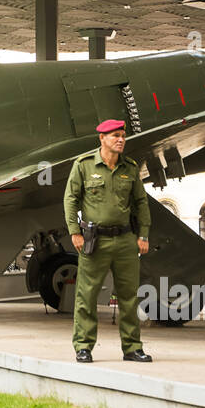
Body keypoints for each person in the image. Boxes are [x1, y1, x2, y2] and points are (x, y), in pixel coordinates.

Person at [64, 118, 152, 364]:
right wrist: (74, 232)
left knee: (129, 297)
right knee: (87, 296)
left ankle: (132, 348)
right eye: (115, 135)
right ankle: (83, 347)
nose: (121, 139)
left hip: (125, 240)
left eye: (123, 135)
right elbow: (70, 199)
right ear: (102, 138)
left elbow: (141, 203)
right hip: (95, 241)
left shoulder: (130, 168)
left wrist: (143, 234)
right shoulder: (83, 165)